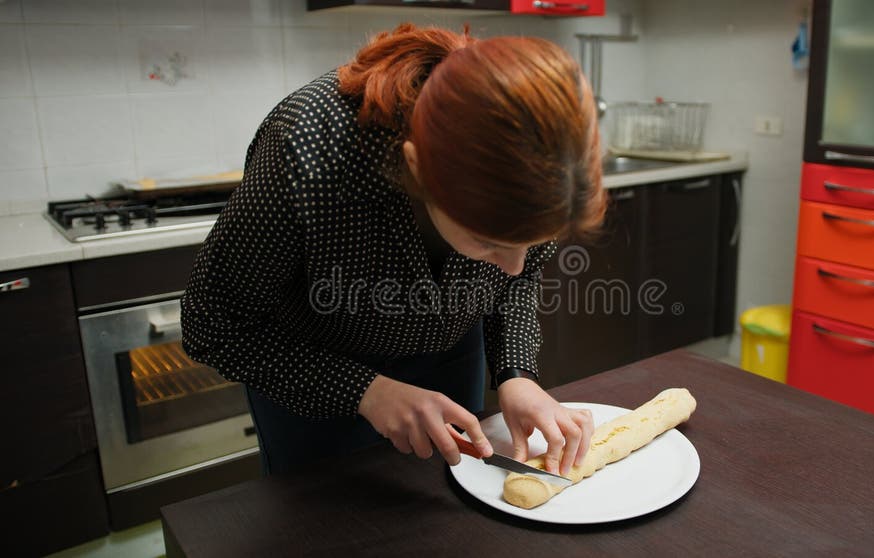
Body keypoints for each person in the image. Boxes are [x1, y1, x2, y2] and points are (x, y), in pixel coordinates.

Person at [180, 23, 606, 477]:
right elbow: (212, 322)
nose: (514, 263)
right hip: (314, 369)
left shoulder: (540, 158)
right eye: (489, 242)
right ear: (417, 168)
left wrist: (517, 375)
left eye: (532, 243)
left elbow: (517, 277)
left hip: (449, 355)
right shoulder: (307, 151)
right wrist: (365, 391)